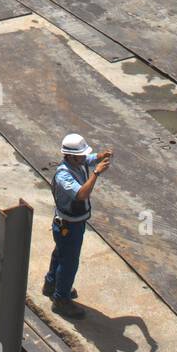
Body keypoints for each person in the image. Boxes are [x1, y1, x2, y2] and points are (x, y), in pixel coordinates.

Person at [43, 132, 112, 320]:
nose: (84, 157)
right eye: (81, 155)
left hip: (69, 223)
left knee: (60, 253)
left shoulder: (77, 161)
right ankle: (61, 299)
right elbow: (81, 195)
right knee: (69, 263)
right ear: (70, 156)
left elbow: (89, 159)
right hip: (69, 225)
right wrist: (96, 173)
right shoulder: (64, 176)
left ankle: (51, 283)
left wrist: (100, 156)